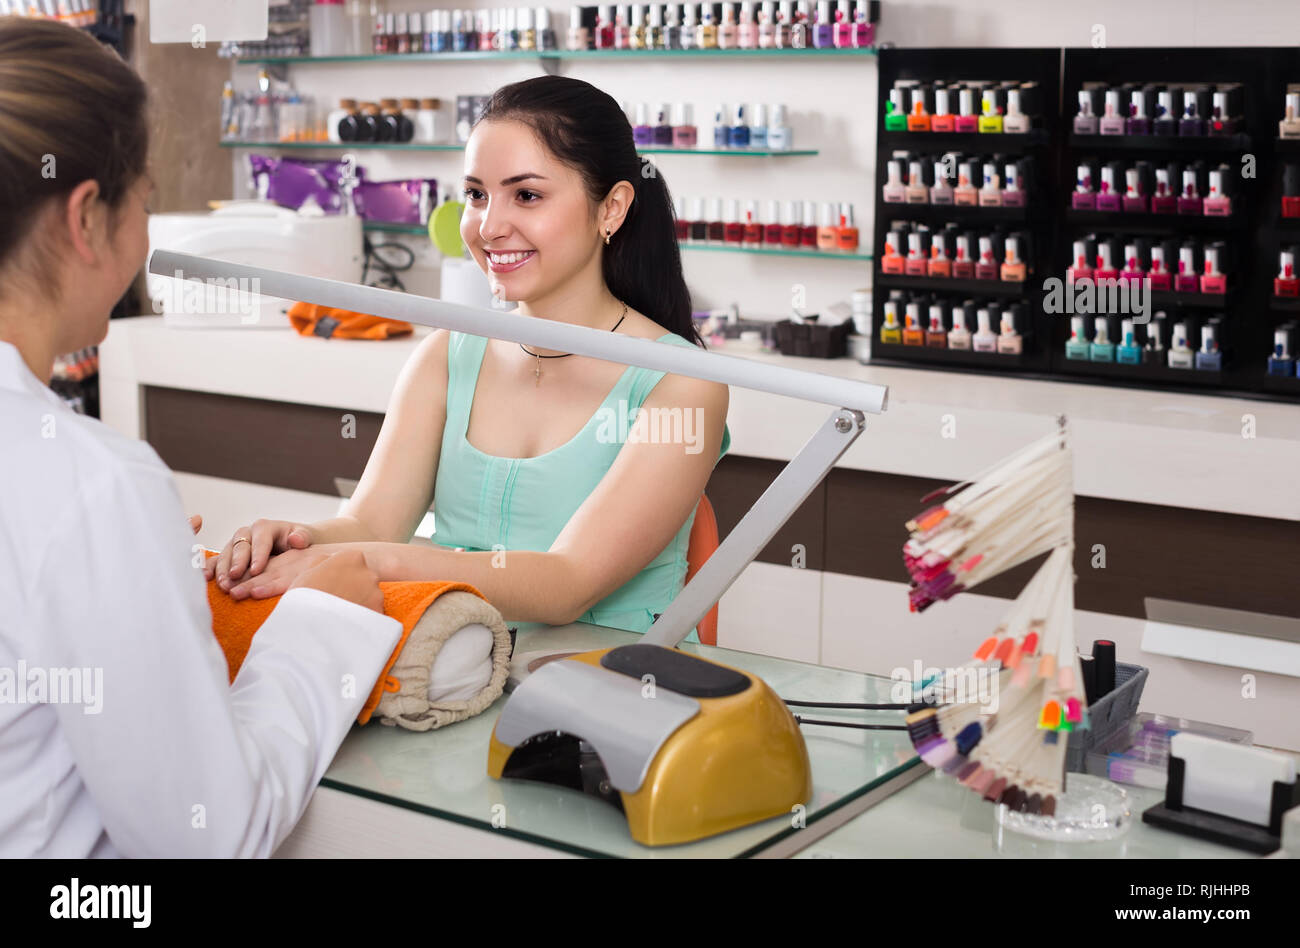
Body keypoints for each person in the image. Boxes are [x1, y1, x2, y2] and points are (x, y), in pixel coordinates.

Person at [0, 18, 403, 857]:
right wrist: (323, 624)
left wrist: (134, 571)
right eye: (145, 199)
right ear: (86, 217)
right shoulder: (90, 485)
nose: (147, 232)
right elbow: (207, 834)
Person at [209, 75, 731, 640]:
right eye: (477, 194)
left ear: (612, 208)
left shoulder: (683, 386)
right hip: (456, 667)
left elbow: (568, 582)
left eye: (526, 195)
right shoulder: (450, 354)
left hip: (617, 688)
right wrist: (295, 540)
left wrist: (371, 562)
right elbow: (372, 522)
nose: (488, 227)